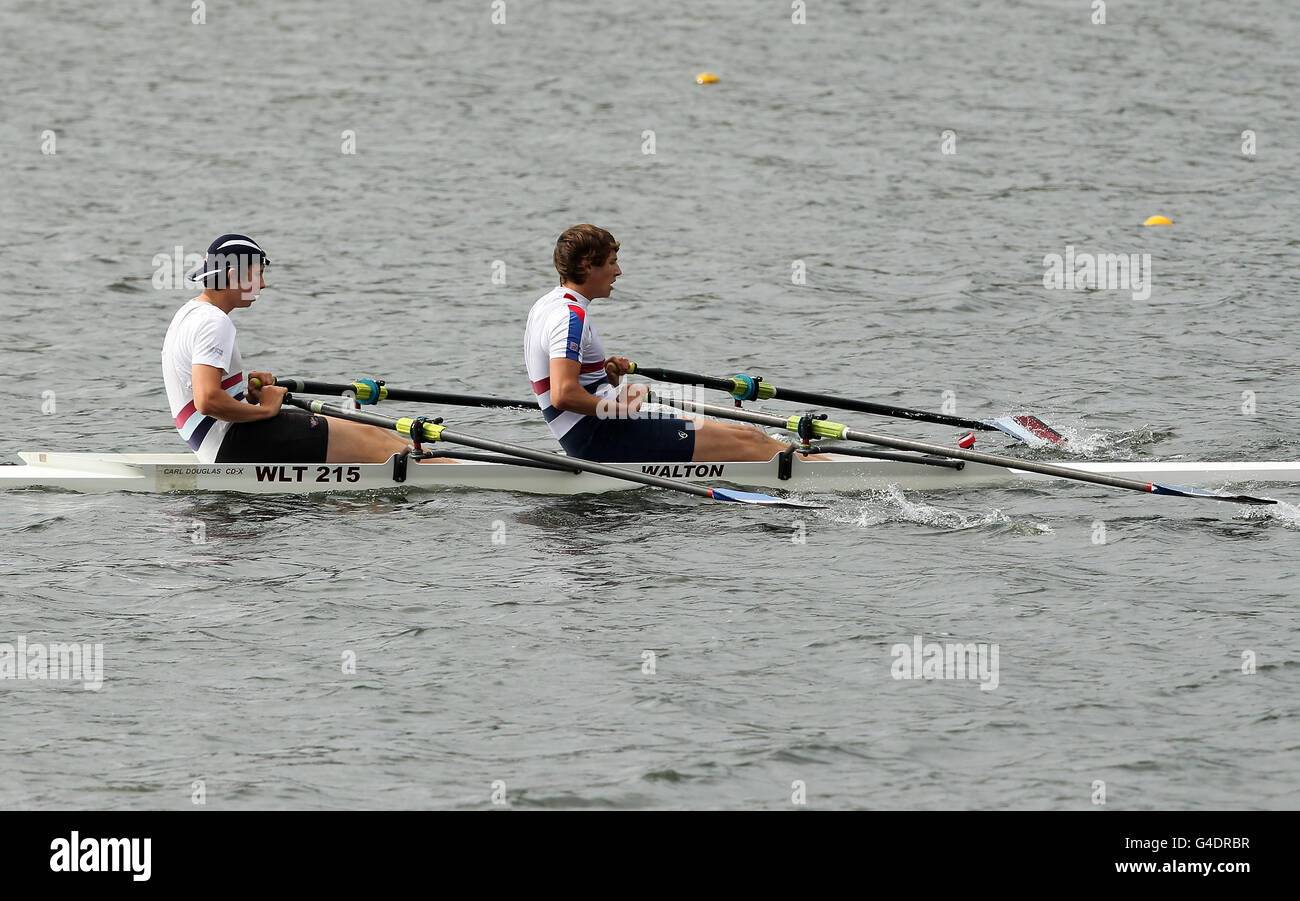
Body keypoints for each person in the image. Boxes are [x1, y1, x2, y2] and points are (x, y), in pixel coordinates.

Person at [524, 225, 811, 463]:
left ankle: (813, 462)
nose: (619, 272)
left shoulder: (547, 304)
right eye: (612, 263)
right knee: (752, 439)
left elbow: (566, 384)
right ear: (588, 266)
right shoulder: (571, 316)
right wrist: (621, 409)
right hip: (602, 438)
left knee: (744, 434)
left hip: (595, 431)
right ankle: (837, 474)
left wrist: (604, 379)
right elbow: (562, 395)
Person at [162, 234, 452, 464]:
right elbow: (207, 400)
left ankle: (451, 466)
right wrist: (265, 411)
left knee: (370, 430)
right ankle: (465, 474)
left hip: (225, 443)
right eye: (257, 274)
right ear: (231, 275)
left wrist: (246, 392)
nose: (262, 285)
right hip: (234, 445)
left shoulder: (190, 314)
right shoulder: (215, 322)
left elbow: (208, 393)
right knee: (379, 443)